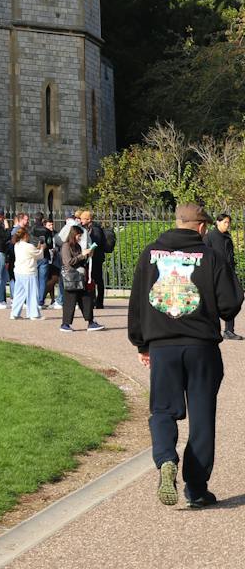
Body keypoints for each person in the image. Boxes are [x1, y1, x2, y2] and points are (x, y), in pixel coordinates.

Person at [128, 201, 244, 507]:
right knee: (202, 416)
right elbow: (230, 303)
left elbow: (138, 302)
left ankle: (166, 458)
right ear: (203, 227)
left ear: (177, 222)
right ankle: (196, 487)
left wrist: (141, 343)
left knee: (163, 410)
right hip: (201, 347)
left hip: (163, 346)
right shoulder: (211, 256)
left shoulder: (150, 254)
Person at [58, 224, 103, 332]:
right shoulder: (66, 246)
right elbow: (68, 262)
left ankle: (91, 322)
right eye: (78, 236)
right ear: (74, 235)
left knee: (86, 299)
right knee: (70, 301)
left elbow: (80, 261)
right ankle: (65, 324)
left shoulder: (77, 246)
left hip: (80, 276)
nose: (80, 238)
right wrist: (82, 255)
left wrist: (88, 255)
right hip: (71, 277)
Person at [205, 210, 240, 341]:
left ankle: (229, 330)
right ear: (218, 222)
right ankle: (212, 330)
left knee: (232, 299)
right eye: (225, 222)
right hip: (215, 274)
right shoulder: (210, 237)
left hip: (228, 272)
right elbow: (205, 255)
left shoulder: (227, 236)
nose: (227, 225)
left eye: (228, 223)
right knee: (212, 301)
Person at [78, 208, 113, 310]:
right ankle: (92, 300)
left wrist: (89, 249)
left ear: (89, 219)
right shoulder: (86, 228)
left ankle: (99, 302)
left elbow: (96, 242)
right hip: (90, 257)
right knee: (91, 278)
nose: (81, 221)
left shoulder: (96, 229)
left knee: (97, 280)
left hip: (96, 257)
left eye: (83, 219)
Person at [9, 226, 43, 321]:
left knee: (19, 293)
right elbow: (39, 255)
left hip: (19, 272)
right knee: (32, 293)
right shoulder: (28, 246)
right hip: (29, 272)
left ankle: (14, 313)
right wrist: (41, 248)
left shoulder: (17, 245)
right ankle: (33, 314)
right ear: (25, 236)